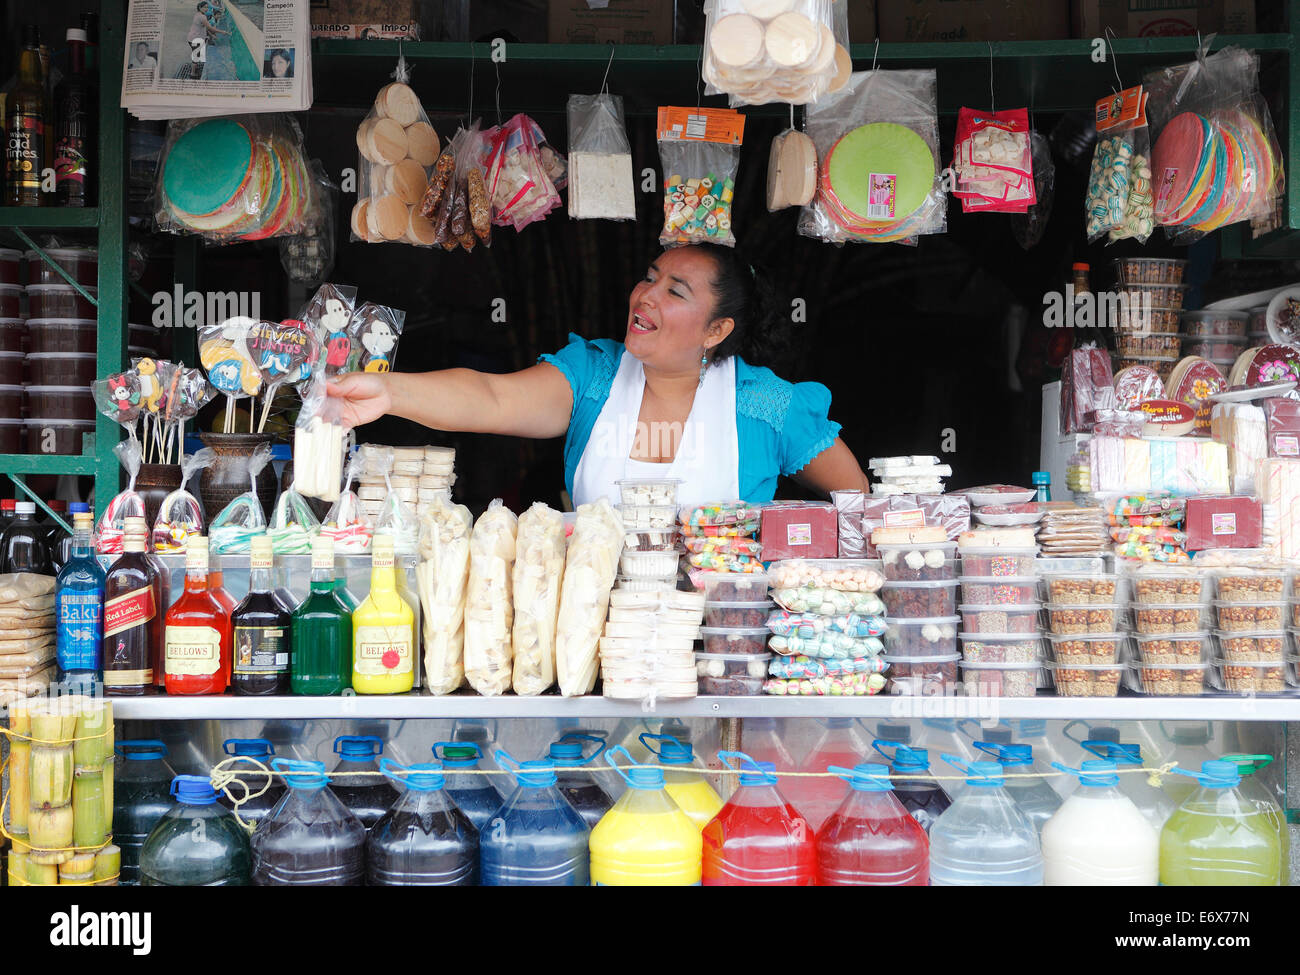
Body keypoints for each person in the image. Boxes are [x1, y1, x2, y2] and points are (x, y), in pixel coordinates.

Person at [328, 244, 870, 506]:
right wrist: (387, 392)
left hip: (726, 651)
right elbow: (491, 396)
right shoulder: (595, 375)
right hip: (595, 643)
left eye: (674, 292)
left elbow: (856, 502)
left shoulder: (765, 404)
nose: (645, 296)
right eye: (649, 278)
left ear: (716, 330)